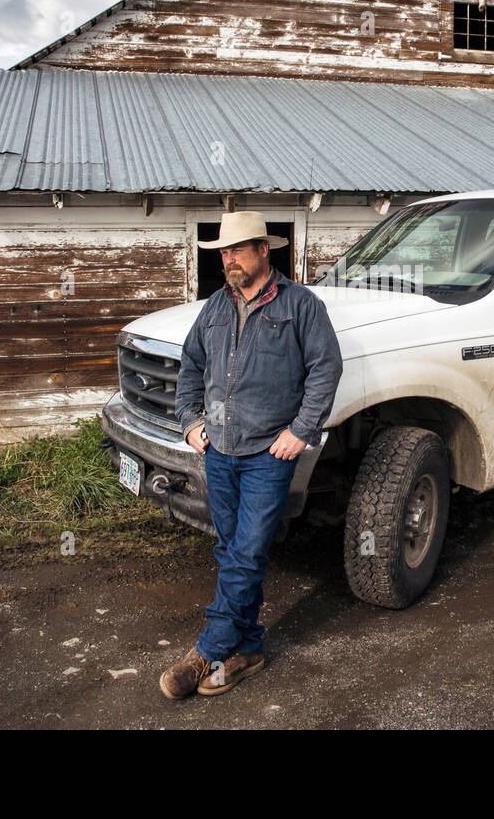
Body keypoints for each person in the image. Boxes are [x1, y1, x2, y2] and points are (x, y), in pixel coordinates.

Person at [160, 211, 343, 699]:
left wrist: (302, 430)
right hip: (219, 449)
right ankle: (249, 648)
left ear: (265, 250)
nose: (229, 259)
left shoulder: (301, 304)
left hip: (268, 453)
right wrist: (190, 421)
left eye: (238, 249)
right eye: (223, 251)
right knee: (230, 549)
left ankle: (208, 649)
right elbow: (191, 367)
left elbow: (326, 368)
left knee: (247, 551)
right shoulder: (215, 306)